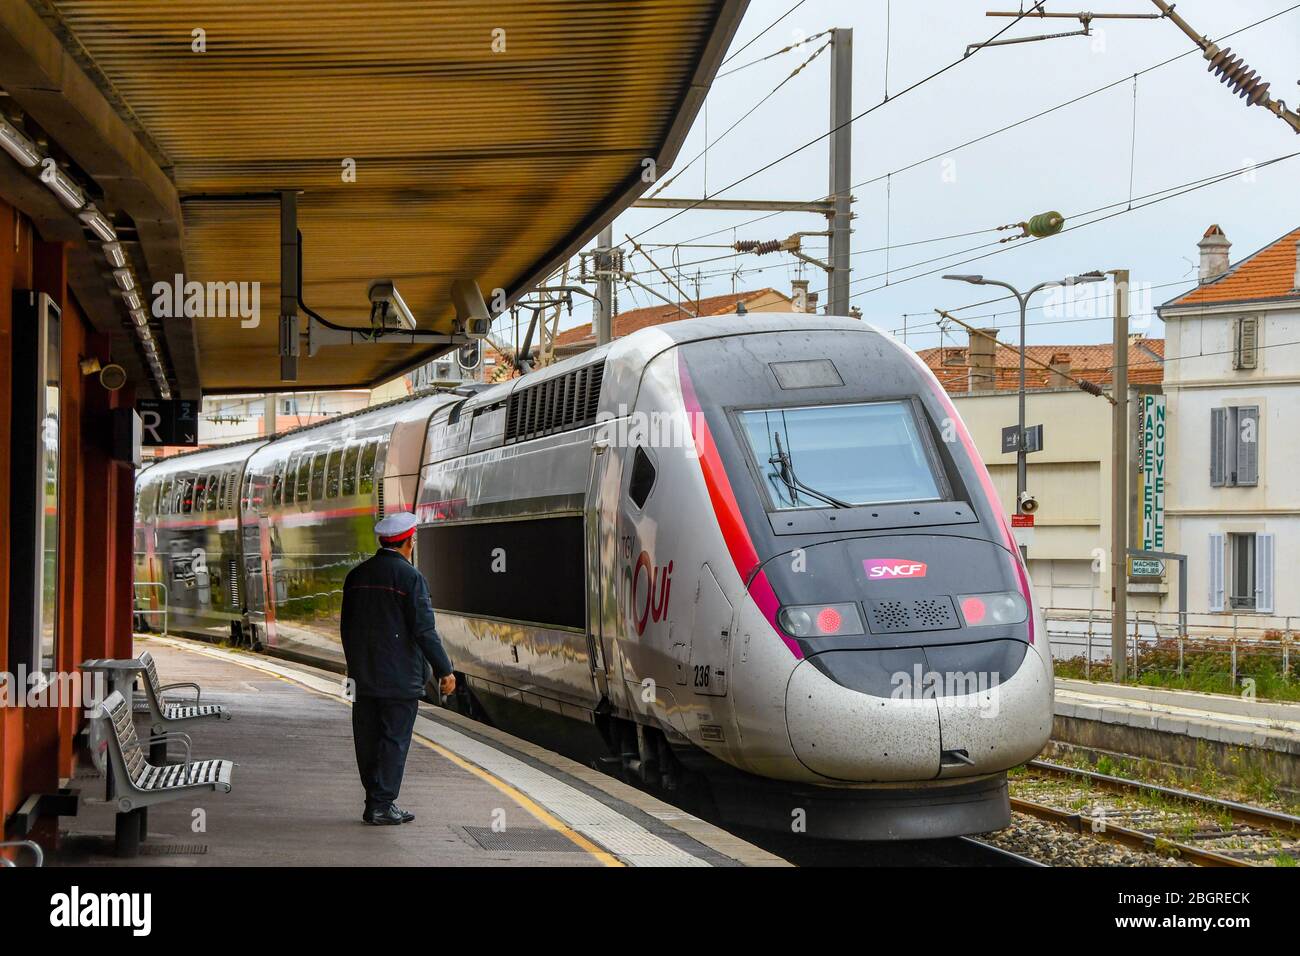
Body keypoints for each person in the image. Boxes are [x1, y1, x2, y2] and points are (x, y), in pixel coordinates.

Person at [340, 511, 455, 825]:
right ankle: (382, 804)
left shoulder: (357, 576)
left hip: (363, 677)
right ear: (409, 541)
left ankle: (372, 801)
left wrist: (354, 667)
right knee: (394, 739)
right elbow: (424, 630)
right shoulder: (410, 578)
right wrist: (445, 670)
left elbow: (347, 627)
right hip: (400, 677)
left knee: (367, 738)